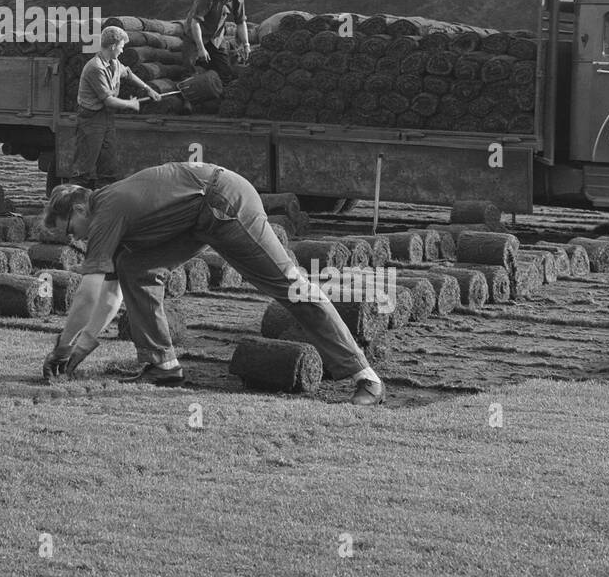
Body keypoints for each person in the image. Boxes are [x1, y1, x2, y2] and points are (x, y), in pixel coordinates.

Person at [40, 162, 385, 404]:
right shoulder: (106, 213)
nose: (76, 238)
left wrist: (63, 347)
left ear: (80, 208)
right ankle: (163, 365)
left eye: (71, 229)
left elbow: (88, 294)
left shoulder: (104, 213)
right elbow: (112, 294)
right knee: (133, 267)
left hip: (224, 201)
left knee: (291, 287)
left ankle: (366, 377)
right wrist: (81, 347)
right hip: (196, 220)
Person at [70, 26, 164, 189]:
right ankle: (70, 207)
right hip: (91, 120)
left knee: (108, 167)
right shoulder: (95, 67)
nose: (122, 50)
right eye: (121, 46)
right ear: (113, 46)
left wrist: (148, 89)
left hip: (106, 118)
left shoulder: (113, 62)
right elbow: (109, 100)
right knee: (83, 169)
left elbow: (127, 73)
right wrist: (131, 104)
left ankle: (102, 202)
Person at [186, 0, 250, 82]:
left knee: (226, 73)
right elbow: (195, 23)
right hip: (196, 36)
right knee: (191, 72)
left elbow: (240, 22)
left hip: (216, 38)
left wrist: (246, 45)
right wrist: (201, 48)